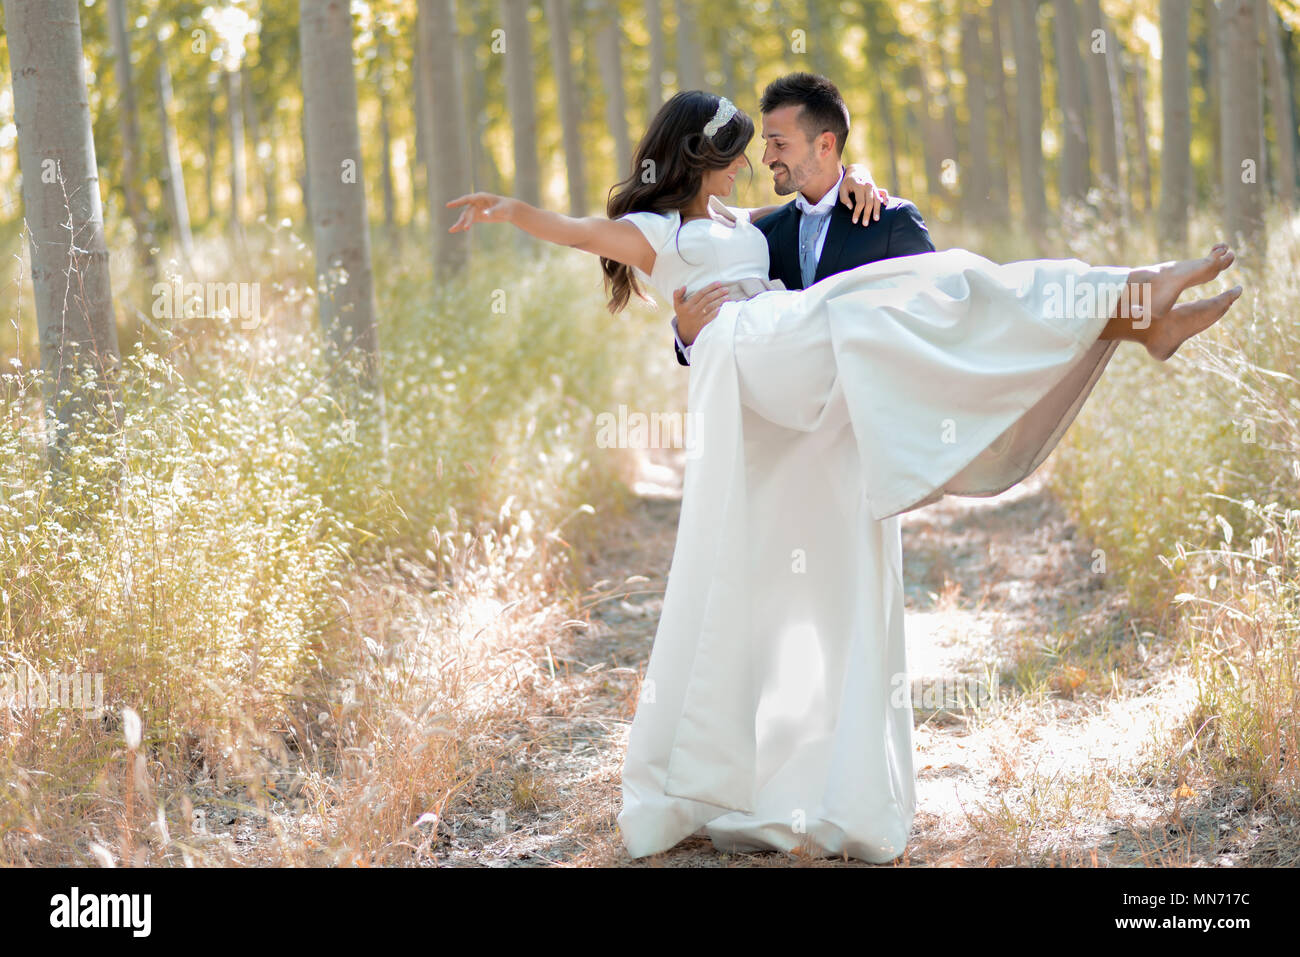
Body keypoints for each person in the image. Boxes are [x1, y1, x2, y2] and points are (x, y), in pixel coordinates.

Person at [446, 88, 1241, 863]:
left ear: (827, 148)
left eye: (776, 147)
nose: (759, 162)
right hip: (753, 362)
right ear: (704, 156)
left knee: (928, 283)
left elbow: (941, 308)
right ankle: (1132, 300)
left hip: (806, 398)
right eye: (744, 152)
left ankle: (1136, 309)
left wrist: (858, 187)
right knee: (854, 308)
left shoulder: (790, 220)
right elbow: (588, 235)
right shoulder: (682, 228)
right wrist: (512, 213)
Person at [669, 74, 936, 367]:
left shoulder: (891, 222)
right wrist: (687, 334)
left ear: (824, 145)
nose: (766, 158)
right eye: (766, 144)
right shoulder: (763, 235)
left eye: (780, 145)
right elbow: (733, 331)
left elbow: (933, 317)